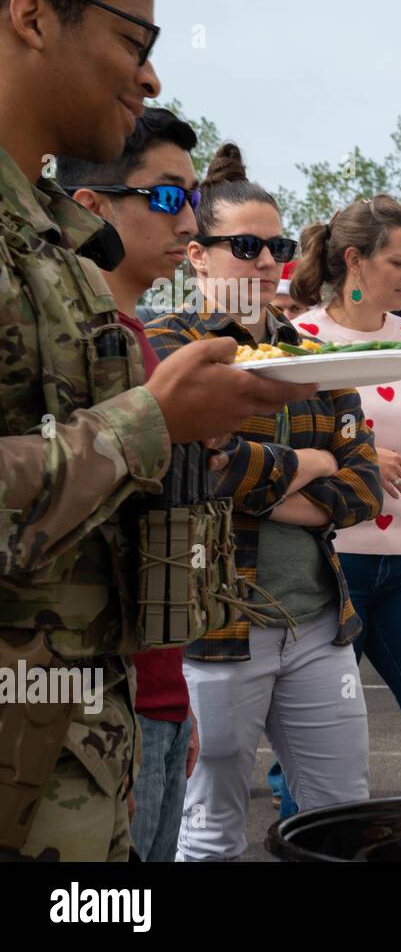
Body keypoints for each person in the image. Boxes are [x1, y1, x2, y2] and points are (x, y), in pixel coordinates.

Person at [0, 0, 312, 862]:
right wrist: (154, 421)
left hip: (90, 754)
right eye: (132, 41)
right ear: (31, 16)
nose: (151, 75)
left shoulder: (57, 247)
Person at [147, 143, 381, 860]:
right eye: (244, 246)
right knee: (212, 828)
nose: (265, 261)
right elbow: (193, 466)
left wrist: (259, 479)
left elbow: (364, 487)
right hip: (215, 631)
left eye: (275, 246)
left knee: (345, 818)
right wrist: (307, 465)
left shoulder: (310, 354)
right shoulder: (165, 348)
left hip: (315, 622)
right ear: (198, 256)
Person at [56, 105, 205, 860]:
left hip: (159, 694)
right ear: (91, 207)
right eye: (168, 196)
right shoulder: (66, 348)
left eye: (197, 198)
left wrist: (180, 698)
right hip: (85, 707)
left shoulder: (142, 338)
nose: (191, 221)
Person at [289, 194, 401, 787]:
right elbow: (276, 457)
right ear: (356, 261)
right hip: (325, 566)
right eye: (400, 261)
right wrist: (361, 457)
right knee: (321, 744)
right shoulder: (297, 341)